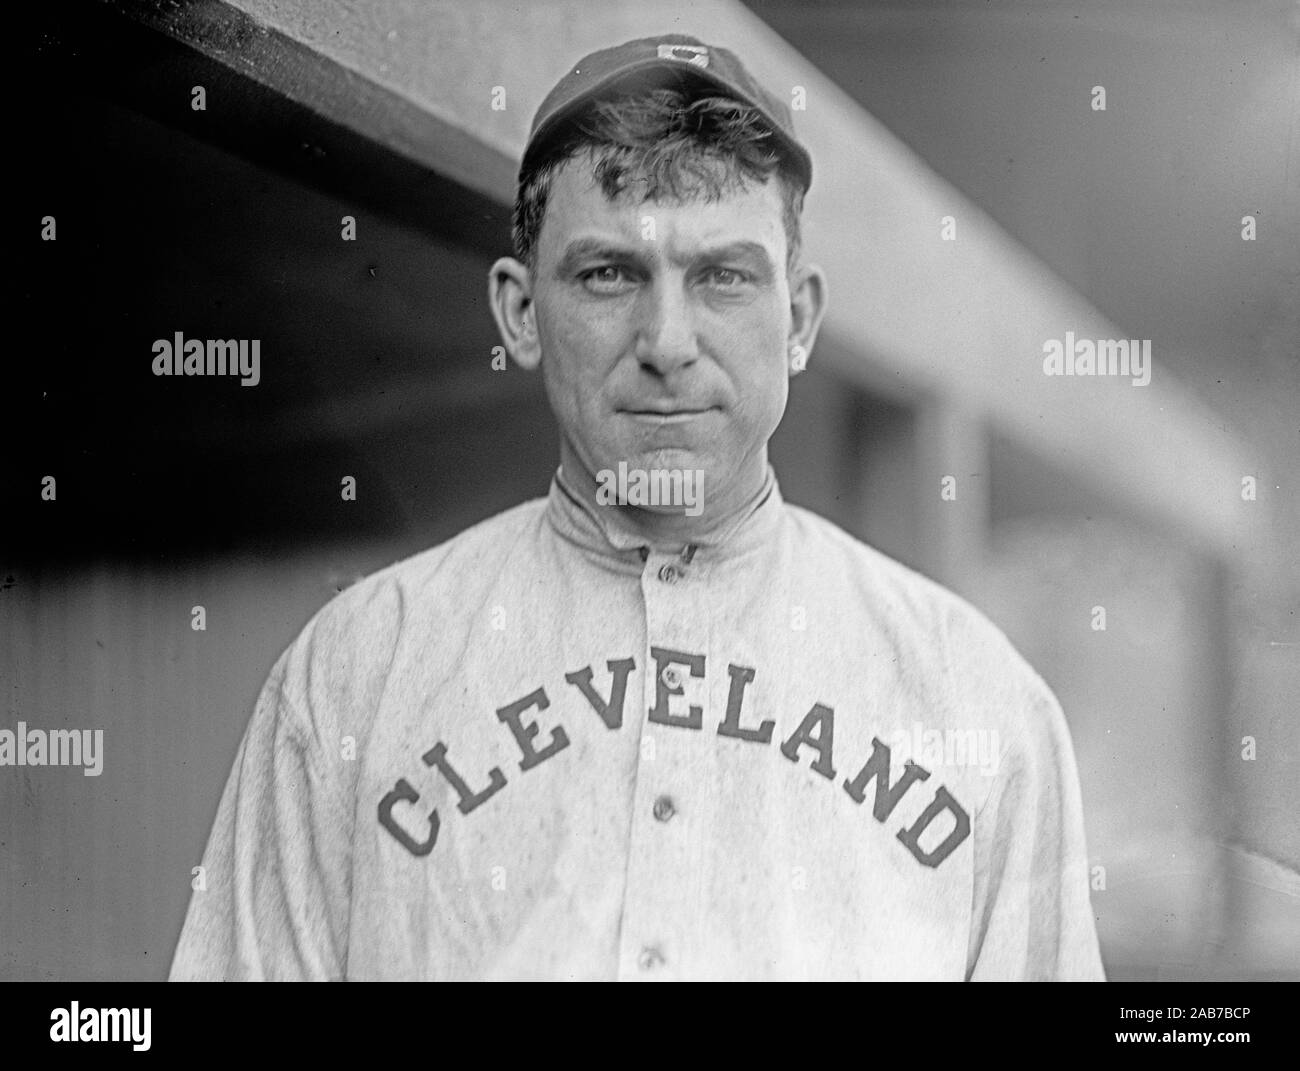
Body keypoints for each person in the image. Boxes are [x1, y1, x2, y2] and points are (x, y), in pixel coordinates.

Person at [170, 33, 1105, 981]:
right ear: (521, 312)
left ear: (802, 319)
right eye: (609, 274)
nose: (667, 341)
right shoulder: (354, 675)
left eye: (725, 277)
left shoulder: (979, 700)